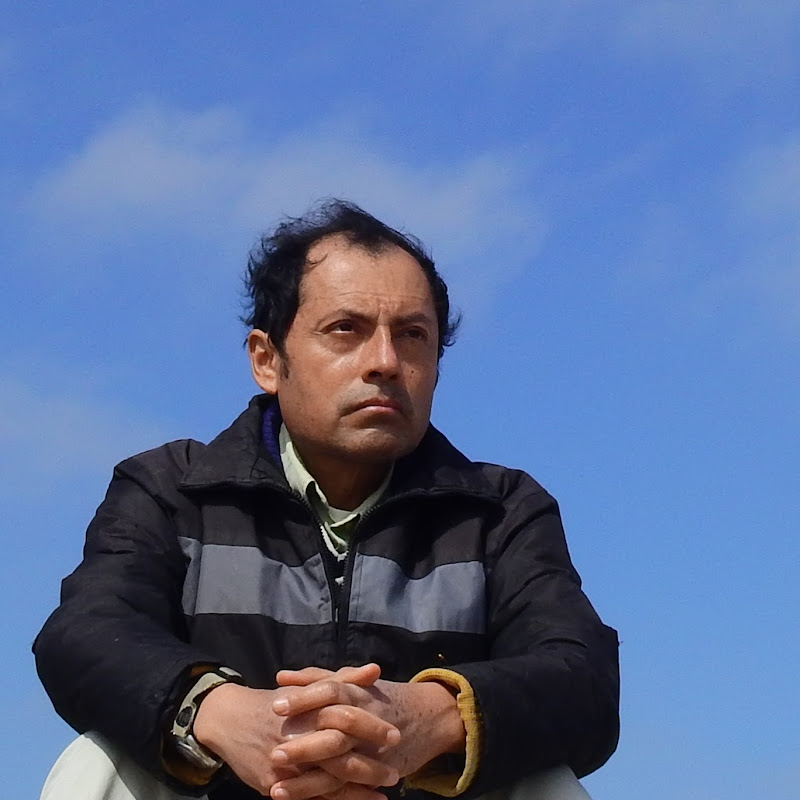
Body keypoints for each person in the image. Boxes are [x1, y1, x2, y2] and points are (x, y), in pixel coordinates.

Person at [34, 200, 620, 800]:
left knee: (544, 781)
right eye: (346, 329)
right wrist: (219, 711)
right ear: (267, 360)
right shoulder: (170, 489)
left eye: (413, 336)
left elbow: (584, 677)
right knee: (100, 762)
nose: (385, 362)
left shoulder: (499, 511)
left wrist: (433, 714)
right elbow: (84, 634)